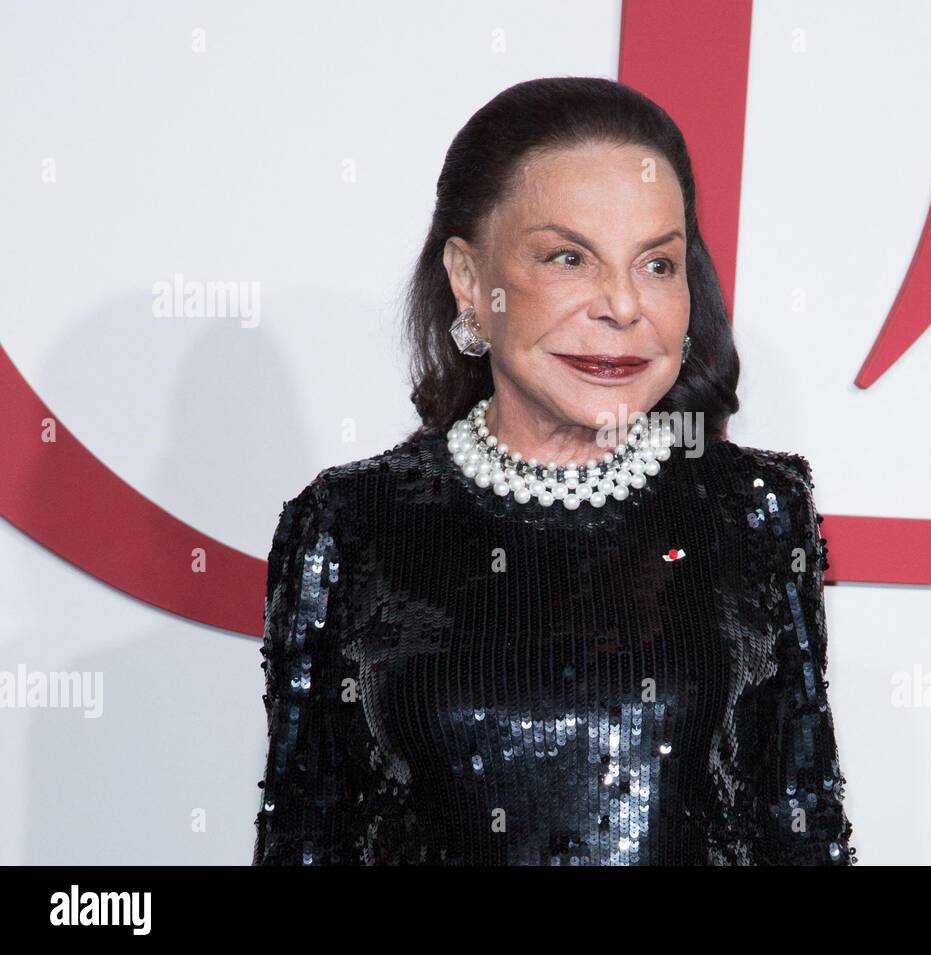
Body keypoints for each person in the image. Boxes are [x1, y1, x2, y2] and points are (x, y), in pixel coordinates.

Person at [252, 76, 855, 865]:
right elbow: (304, 837)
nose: (622, 306)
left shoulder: (757, 509)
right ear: (470, 279)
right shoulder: (345, 521)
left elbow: (801, 829)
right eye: (568, 257)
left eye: (658, 264)